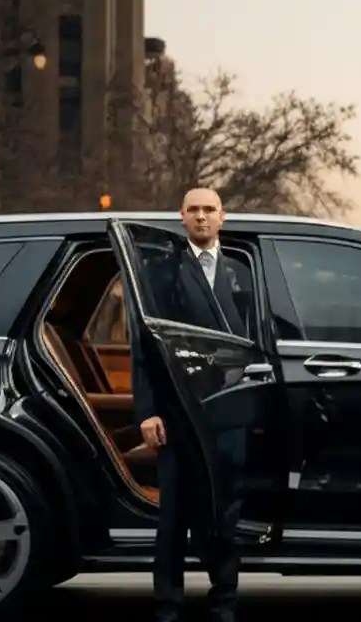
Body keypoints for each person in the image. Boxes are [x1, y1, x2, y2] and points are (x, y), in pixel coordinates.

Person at [133, 187, 248, 622]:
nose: (201, 217)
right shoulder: (163, 273)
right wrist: (147, 411)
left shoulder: (243, 271)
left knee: (225, 512)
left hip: (231, 408)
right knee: (174, 518)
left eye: (209, 210)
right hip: (177, 411)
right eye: (193, 210)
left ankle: (224, 601)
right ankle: (169, 604)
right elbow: (144, 346)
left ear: (223, 217)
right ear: (181, 217)